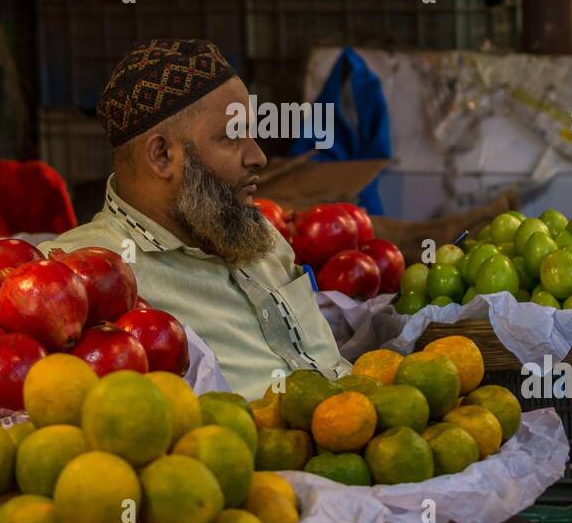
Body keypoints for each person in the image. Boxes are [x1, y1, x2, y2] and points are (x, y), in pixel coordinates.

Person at [42, 39, 349, 398]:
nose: (258, 156)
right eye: (233, 137)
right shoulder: (79, 277)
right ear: (161, 155)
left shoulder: (259, 234)